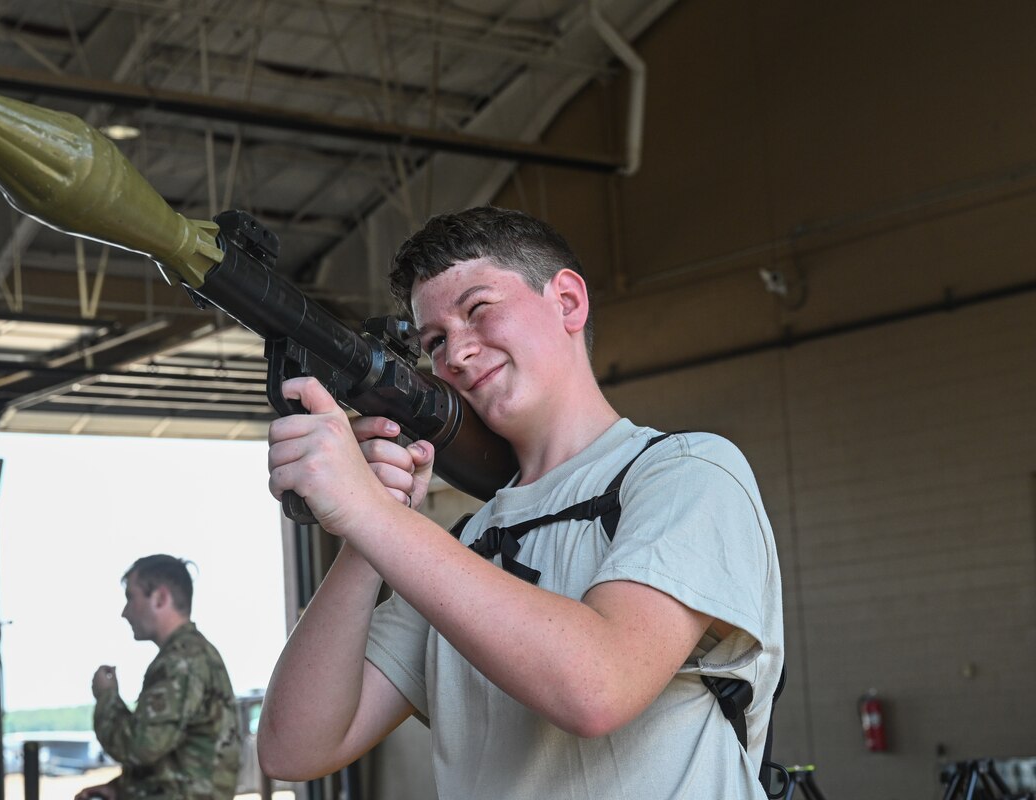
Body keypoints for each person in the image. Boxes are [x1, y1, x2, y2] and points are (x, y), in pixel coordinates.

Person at [258, 206, 784, 799]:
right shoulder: (457, 547)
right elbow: (294, 746)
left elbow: (597, 688)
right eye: (434, 341)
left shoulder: (685, 472)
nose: (454, 354)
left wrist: (368, 512)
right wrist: (364, 537)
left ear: (566, 301)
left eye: (478, 309)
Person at [75, 555, 242, 800]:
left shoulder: (181, 662)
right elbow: (173, 758)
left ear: (161, 598)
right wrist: (121, 788)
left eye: (131, 598)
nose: (125, 612)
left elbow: (138, 746)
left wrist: (107, 696)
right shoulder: (189, 655)